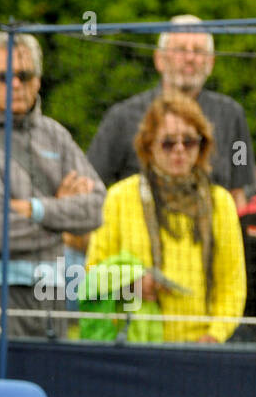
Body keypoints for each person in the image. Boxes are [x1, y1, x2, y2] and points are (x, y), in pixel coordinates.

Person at [0, 32, 106, 339]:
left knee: (50, 386)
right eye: (4, 76)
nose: (16, 84)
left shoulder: (55, 134)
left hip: (53, 289)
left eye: (25, 75)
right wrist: (63, 218)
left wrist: (36, 208)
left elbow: (97, 208)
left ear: (38, 79)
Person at [84, 93, 246, 343]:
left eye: (189, 141)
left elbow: (232, 285)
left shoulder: (220, 202)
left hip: (202, 348)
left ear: (202, 146)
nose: (179, 150)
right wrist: (132, 284)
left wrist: (214, 335)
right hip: (136, 344)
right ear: (149, 146)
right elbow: (91, 274)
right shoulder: (119, 198)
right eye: (168, 143)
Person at [87, 15, 256, 208]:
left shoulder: (232, 116)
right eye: (180, 50)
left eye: (198, 51)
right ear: (159, 59)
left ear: (211, 62)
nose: (190, 58)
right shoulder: (122, 118)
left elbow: (239, 190)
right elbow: (91, 185)